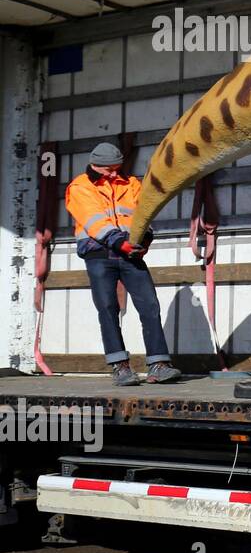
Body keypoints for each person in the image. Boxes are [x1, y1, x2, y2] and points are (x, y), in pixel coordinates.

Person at [65, 142, 181, 387]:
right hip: (100, 254)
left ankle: (159, 365)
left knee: (149, 305)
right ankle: (120, 367)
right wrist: (120, 242)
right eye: (110, 170)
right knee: (107, 308)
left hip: (130, 253)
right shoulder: (79, 187)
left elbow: (144, 212)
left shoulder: (132, 184)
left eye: (118, 168)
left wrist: (145, 238)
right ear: (97, 166)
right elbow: (93, 220)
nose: (115, 173)